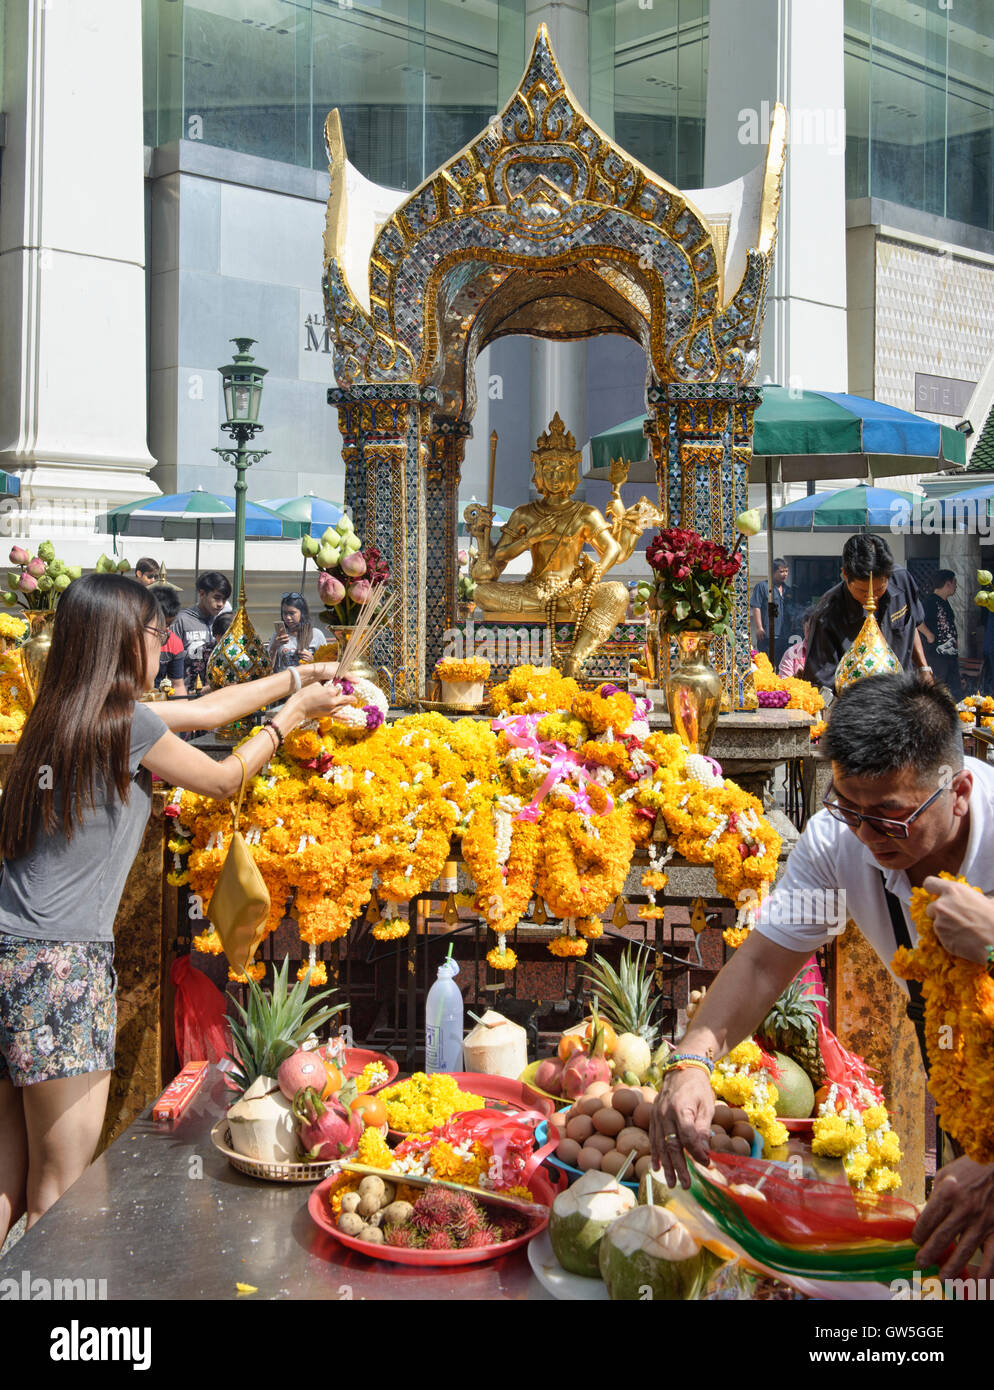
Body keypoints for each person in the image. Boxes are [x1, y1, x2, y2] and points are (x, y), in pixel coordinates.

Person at [0, 573, 355, 1244]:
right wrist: (291, 721)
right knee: (61, 1190)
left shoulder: (60, 716)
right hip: (58, 968)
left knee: (7, 1181)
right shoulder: (127, 723)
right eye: (153, 632)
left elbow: (213, 709)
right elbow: (223, 779)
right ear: (117, 640)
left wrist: (299, 673)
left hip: (8, 953)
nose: (164, 642)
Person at [650, 672, 994, 1280]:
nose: (866, 835)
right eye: (849, 809)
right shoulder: (842, 840)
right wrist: (693, 1059)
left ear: (959, 790)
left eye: (890, 816)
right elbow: (763, 963)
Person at [802, 534, 929, 691]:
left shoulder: (903, 580)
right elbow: (821, 682)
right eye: (862, 591)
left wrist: (924, 669)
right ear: (845, 574)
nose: (871, 597)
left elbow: (911, 624)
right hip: (860, 705)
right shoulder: (826, 615)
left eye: (879, 589)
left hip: (904, 692)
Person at [171, 571, 232, 692]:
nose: (220, 604)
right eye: (216, 598)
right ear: (202, 593)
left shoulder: (223, 621)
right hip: (189, 692)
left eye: (224, 600)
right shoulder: (182, 621)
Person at [919, 570, 962, 701]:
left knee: (954, 689)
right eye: (954, 583)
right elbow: (917, 621)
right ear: (948, 583)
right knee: (939, 688)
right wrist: (929, 634)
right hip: (936, 655)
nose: (956, 586)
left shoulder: (945, 602)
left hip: (950, 655)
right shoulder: (930, 602)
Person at [268, 592, 326, 672]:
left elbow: (327, 665)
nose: (288, 617)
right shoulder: (278, 636)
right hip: (283, 682)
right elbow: (267, 667)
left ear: (302, 613)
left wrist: (313, 661)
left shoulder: (316, 634)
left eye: (292, 613)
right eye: (285, 613)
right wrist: (274, 647)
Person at [750, 559, 792, 666]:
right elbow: (756, 606)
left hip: (783, 635)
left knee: (781, 664)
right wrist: (759, 627)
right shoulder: (763, 587)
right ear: (772, 572)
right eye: (781, 571)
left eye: (786, 571)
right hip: (767, 634)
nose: (785, 574)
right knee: (767, 665)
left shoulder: (788, 589)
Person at [149, 583, 186, 696]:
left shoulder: (174, 642)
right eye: (160, 624)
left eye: (168, 624)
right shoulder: (133, 639)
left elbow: (177, 685)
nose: (164, 629)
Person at [778, 607, 814, 679]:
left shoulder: (830, 653)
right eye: (809, 628)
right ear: (804, 627)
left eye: (815, 628)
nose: (812, 632)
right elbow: (785, 684)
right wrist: (797, 678)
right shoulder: (792, 653)